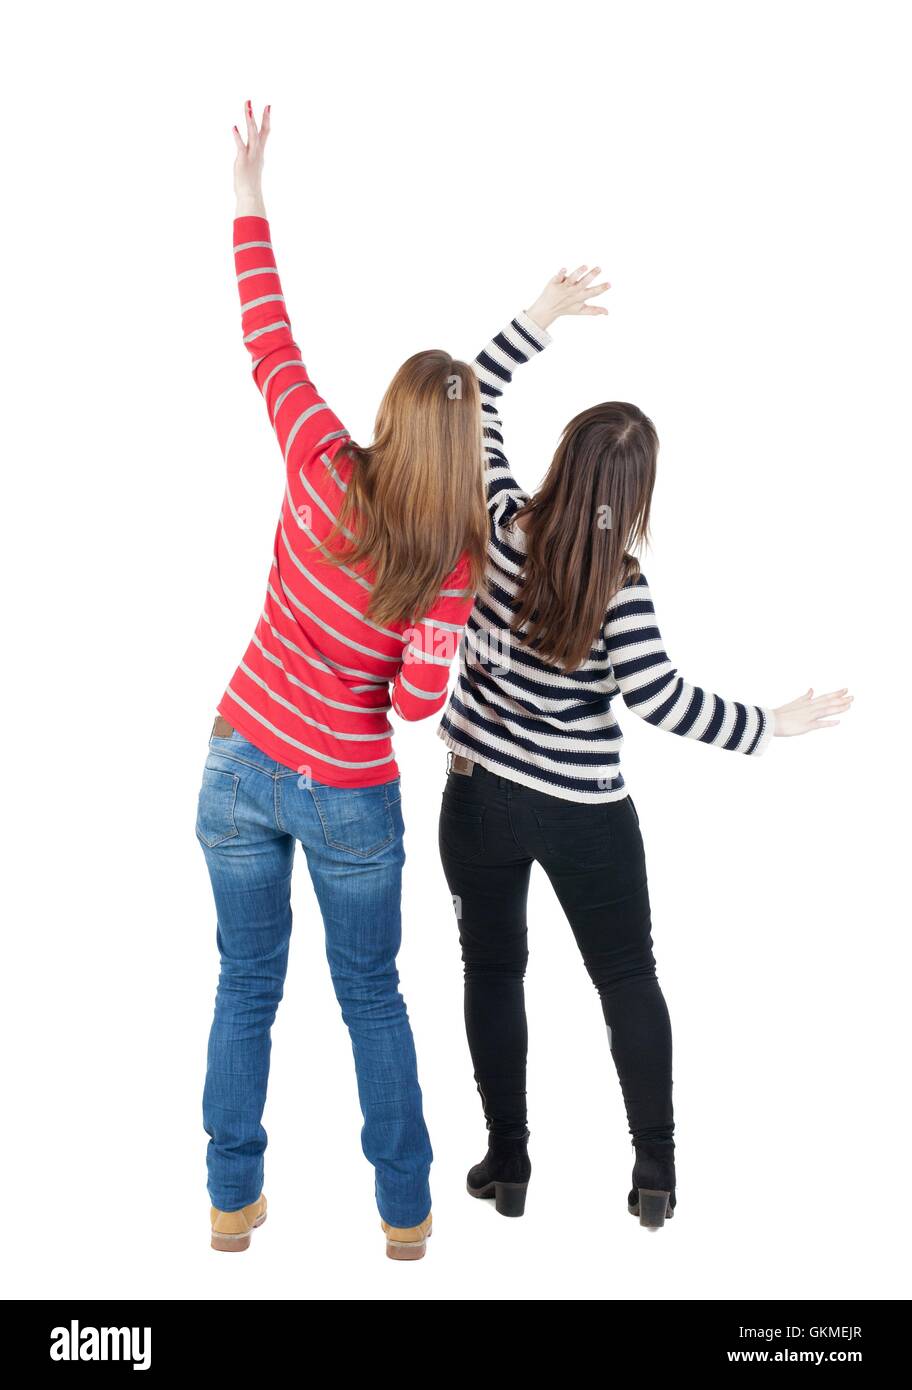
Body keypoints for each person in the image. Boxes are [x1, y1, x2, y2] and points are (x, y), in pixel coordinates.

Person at [437, 269, 852, 1228]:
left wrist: (535, 319)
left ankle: (508, 1161)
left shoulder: (501, 527)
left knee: (492, 971)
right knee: (628, 979)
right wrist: (766, 725)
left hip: (477, 799)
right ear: (631, 496)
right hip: (584, 812)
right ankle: (655, 1174)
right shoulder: (618, 586)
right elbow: (660, 698)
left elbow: (478, 399)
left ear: (565, 460)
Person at [197, 102, 487, 1260]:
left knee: (244, 985)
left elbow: (266, 333)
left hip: (237, 763)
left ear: (387, 416)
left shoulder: (318, 452)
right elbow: (416, 709)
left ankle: (230, 1203)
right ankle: (406, 1215)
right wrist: (428, 627)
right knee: (373, 996)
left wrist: (248, 188)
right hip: (351, 794)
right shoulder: (447, 567)